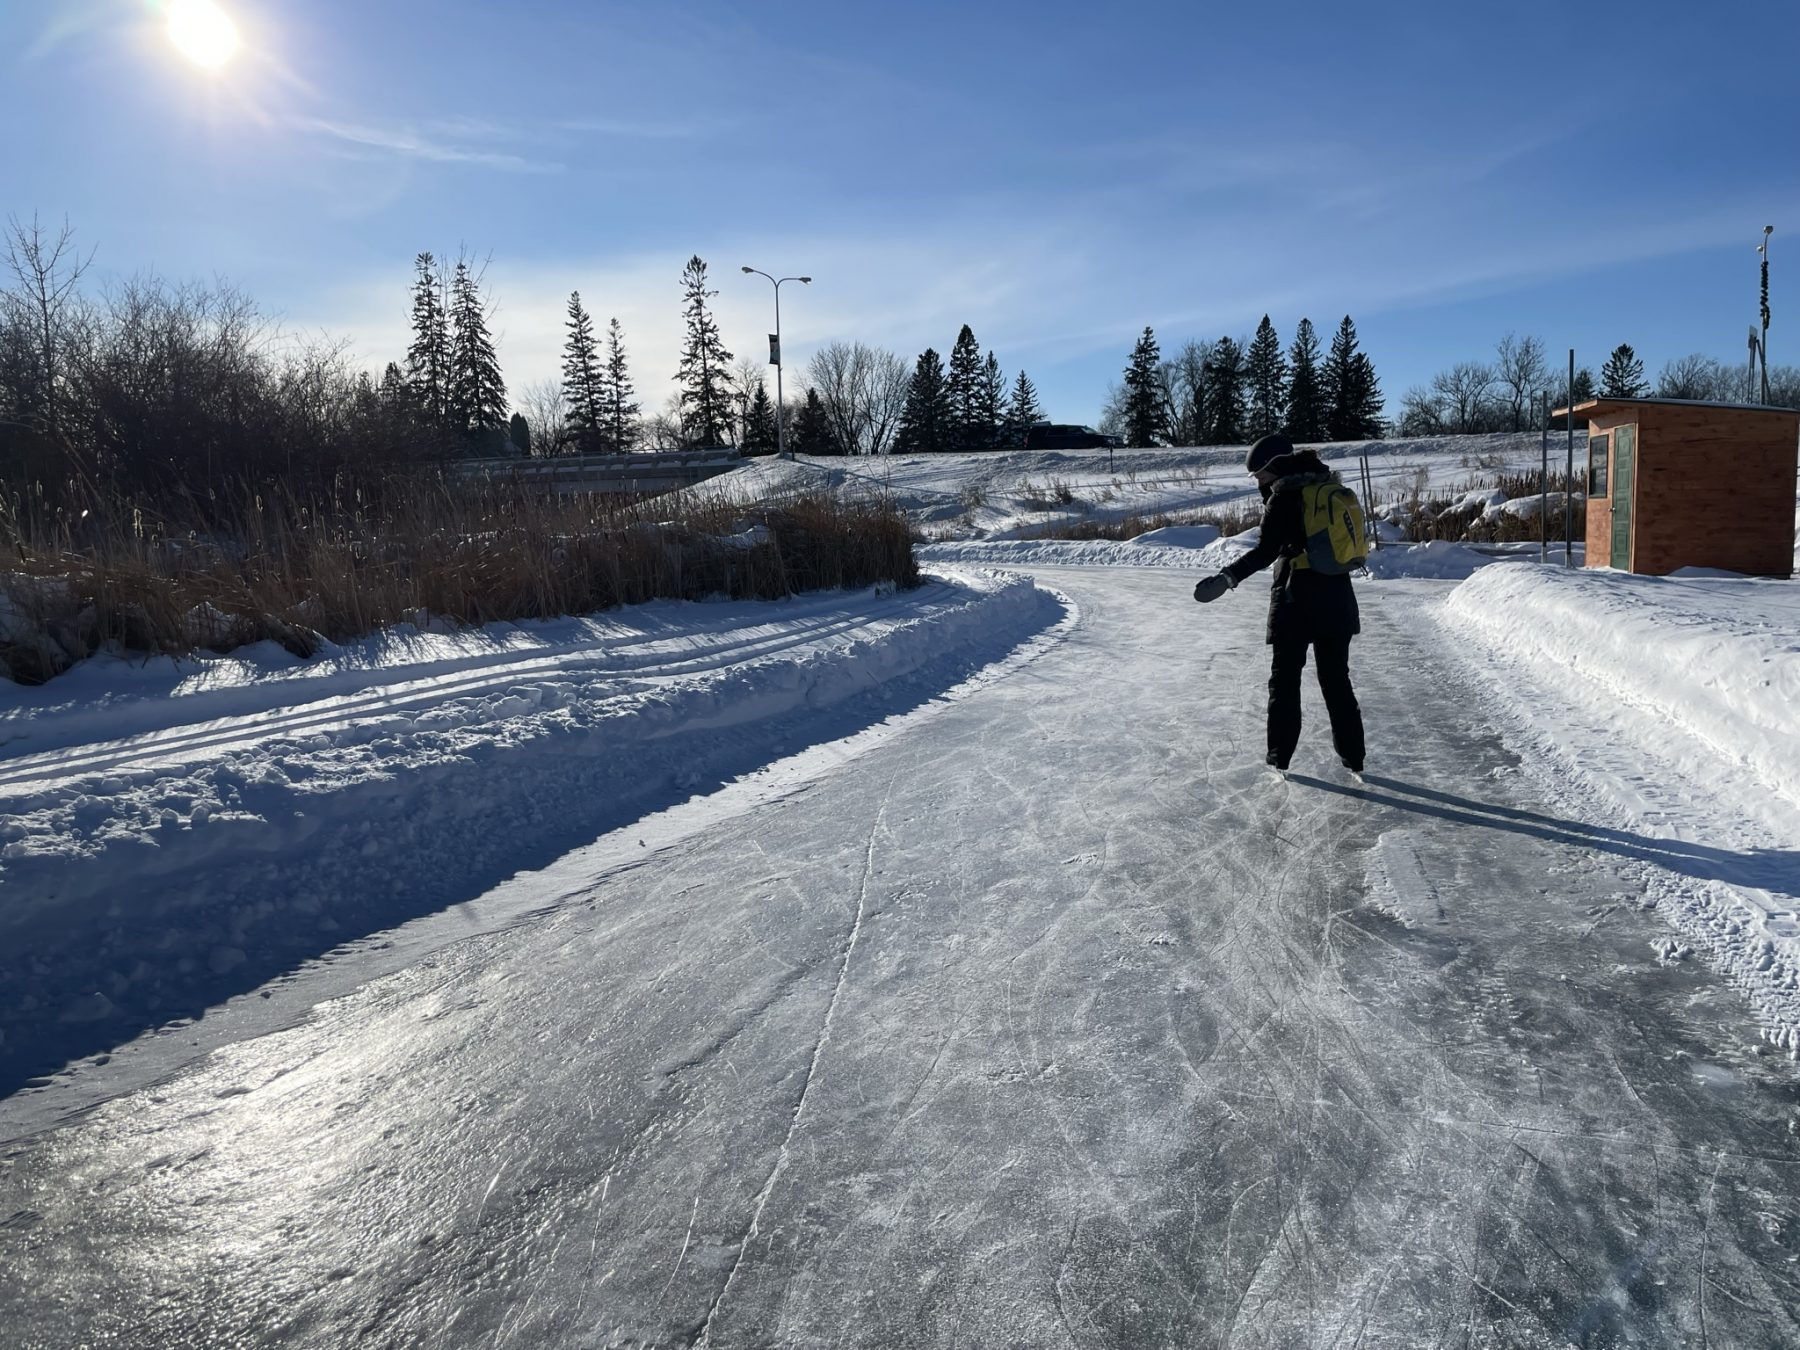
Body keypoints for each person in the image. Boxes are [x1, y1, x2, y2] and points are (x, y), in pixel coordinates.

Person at [1192, 432, 1366, 774]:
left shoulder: (1284, 497)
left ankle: (1279, 756)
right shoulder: (1325, 486)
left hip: (1296, 599)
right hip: (1337, 598)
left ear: (1273, 468)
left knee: (1284, 681)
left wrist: (1228, 578)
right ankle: (1354, 756)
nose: (1258, 481)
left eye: (1259, 475)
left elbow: (1265, 551)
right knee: (1336, 680)